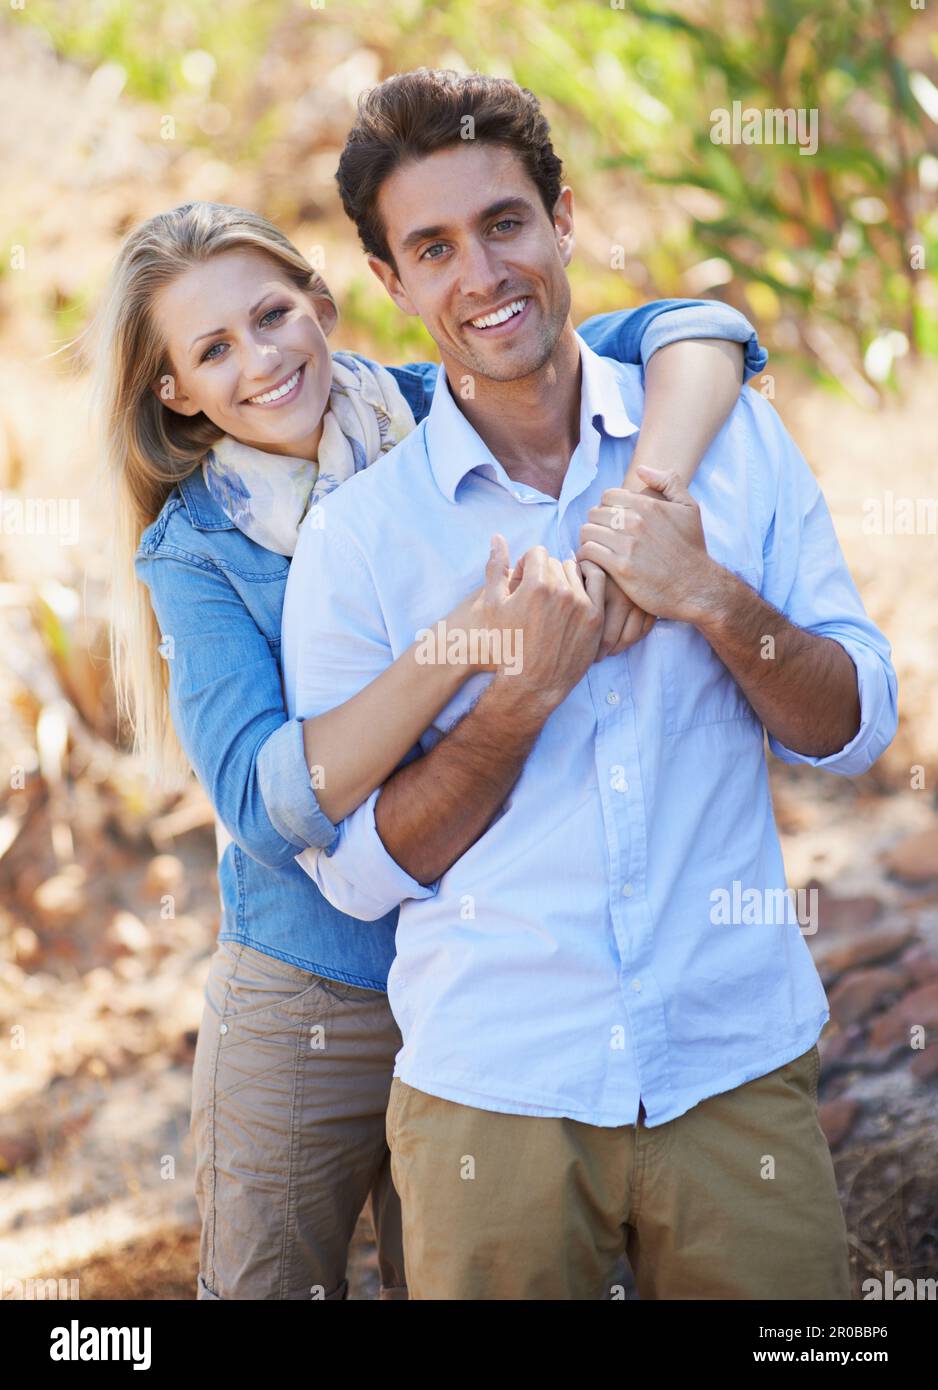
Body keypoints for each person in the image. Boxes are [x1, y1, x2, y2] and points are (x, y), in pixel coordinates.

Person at [282, 68, 899, 1300]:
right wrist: (511, 705)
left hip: (732, 1066)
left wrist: (712, 598)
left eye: (504, 223)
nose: (482, 275)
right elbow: (351, 870)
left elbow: (856, 725)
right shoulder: (358, 542)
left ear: (562, 223)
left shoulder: (728, 444)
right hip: (493, 1098)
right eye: (434, 247)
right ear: (394, 286)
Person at [95, 198, 765, 1300]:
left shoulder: (438, 403)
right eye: (213, 348)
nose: (260, 359)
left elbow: (695, 330)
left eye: (272, 315)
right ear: (176, 391)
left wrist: (647, 504)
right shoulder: (196, 548)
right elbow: (269, 805)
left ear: (321, 301)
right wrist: (461, 637)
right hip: (315, 991)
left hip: (480, 977)